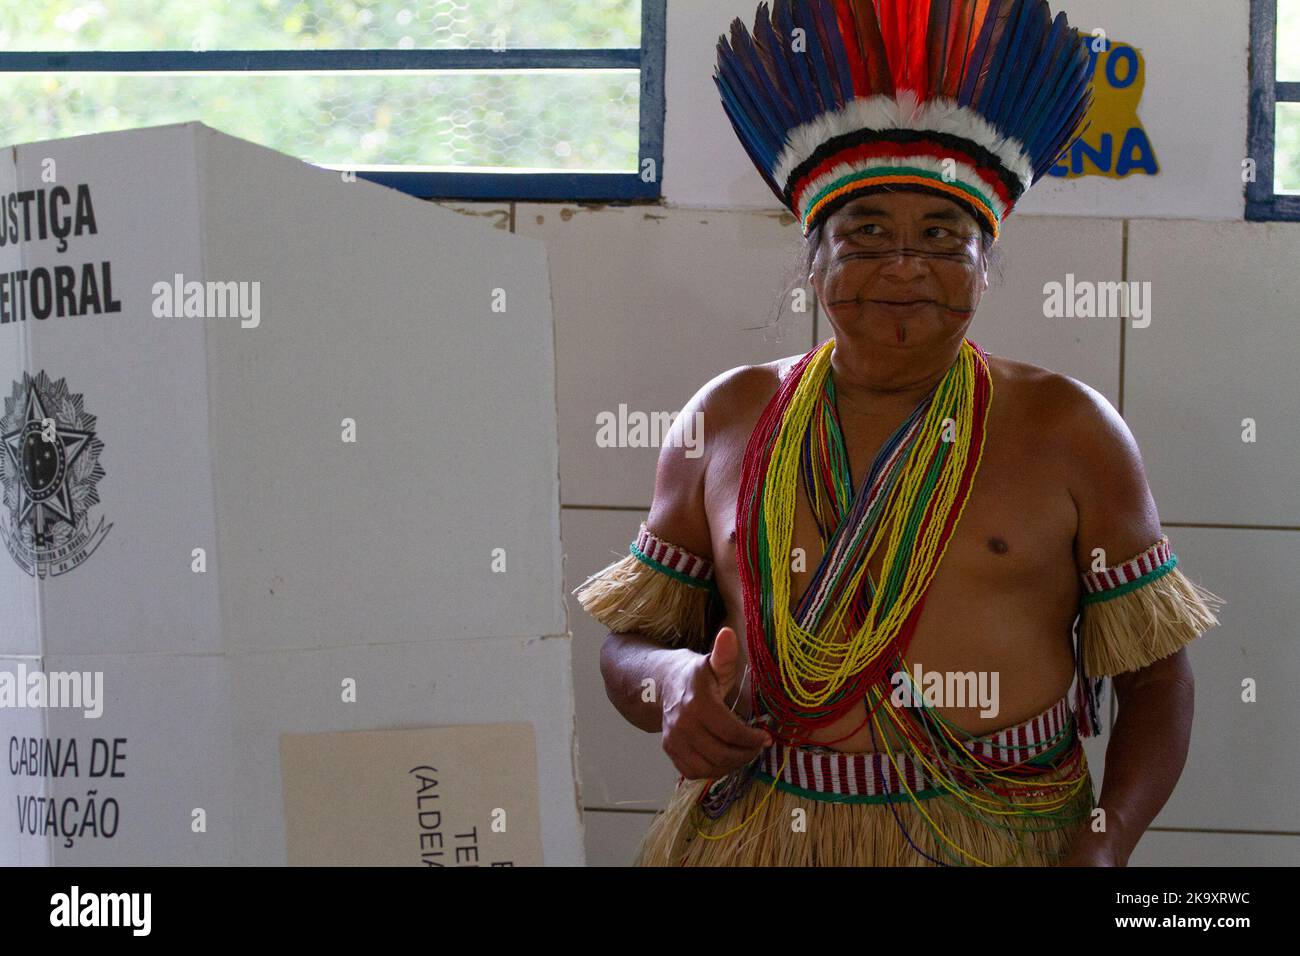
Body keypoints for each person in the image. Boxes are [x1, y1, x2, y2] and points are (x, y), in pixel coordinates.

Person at [574, 0, 1222, 867]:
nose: (905, 265)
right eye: (866, 233)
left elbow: (1156, 678)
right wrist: (670, 684)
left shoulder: (1071, 430)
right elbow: (633, 644)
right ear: (814, 261)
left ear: (985, 267)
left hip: (1001, 838)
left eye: (943, 237)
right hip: (761, 832)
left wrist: (1105, 846)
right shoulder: (724, 419)